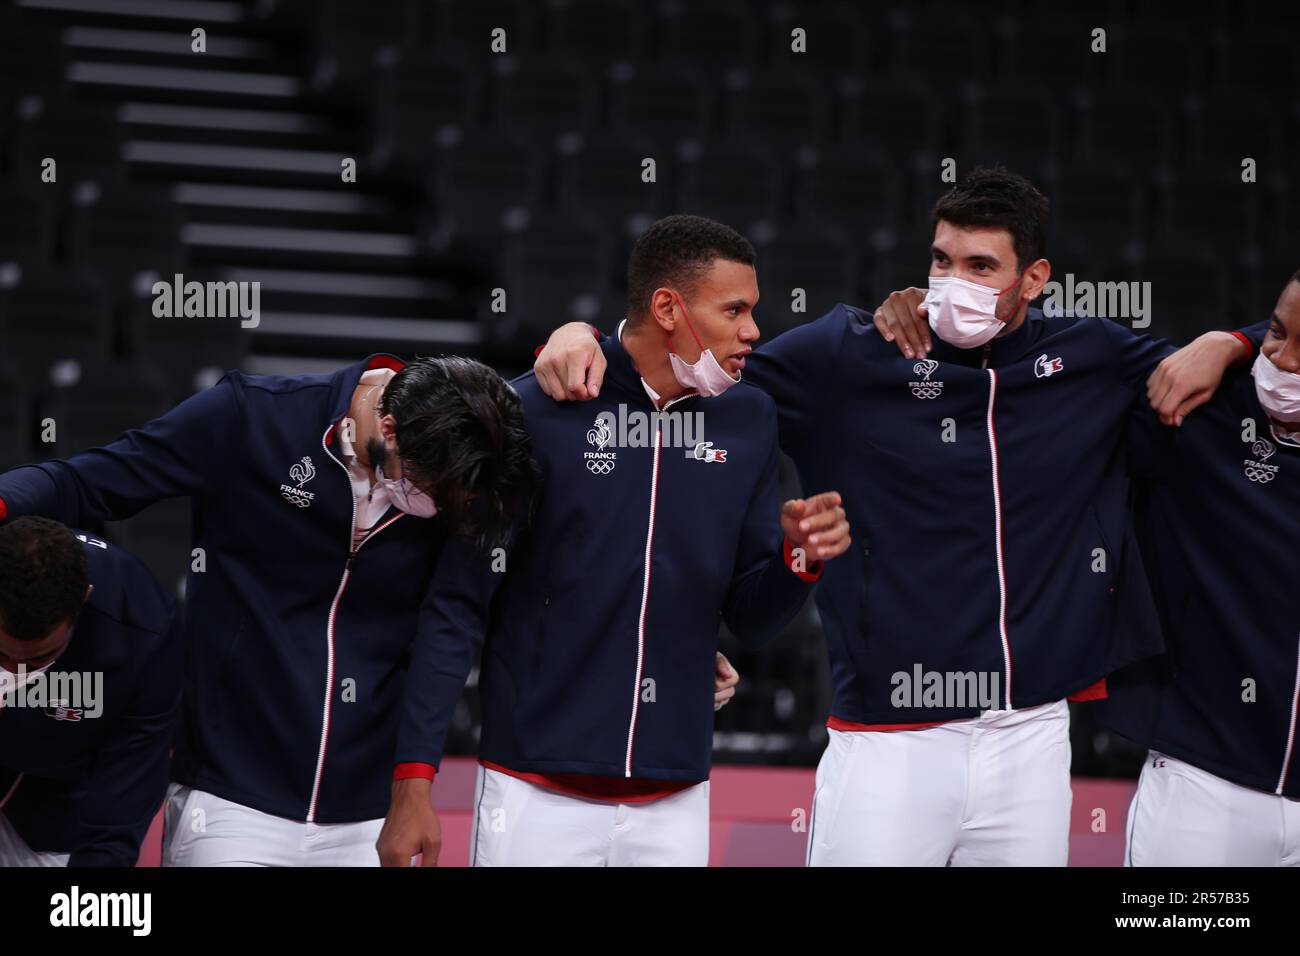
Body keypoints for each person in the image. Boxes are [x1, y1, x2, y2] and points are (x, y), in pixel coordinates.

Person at [531, 167, 1258, 865]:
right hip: (889, 736)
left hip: (1033, 739)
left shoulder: (1093, 358)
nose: (953, 282)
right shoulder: (853, 353)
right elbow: (689, 382)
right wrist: (576, 337)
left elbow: (1276, 360)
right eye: (941, 260)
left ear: (1034, 279)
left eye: (981, 267)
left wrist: (1233, 341)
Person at [378, 215, 851, 866]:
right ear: (667, 307)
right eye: (735, 310)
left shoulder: (750, 419)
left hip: (676, 794)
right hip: (531, 789)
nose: (753, 332)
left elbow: (751, 619)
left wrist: (799, 559)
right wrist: (412, 783)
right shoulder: (536, 411)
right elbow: (456, 605)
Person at [0, 354, 537, 865]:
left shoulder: (461, 467)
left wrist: (414, 783)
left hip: (368, 807)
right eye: (429, 490)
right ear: (389, 430)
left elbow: (446, 632)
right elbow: (88, 483)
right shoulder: (249, 417)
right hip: (230, 796)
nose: (438, 507)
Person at [1100, 268, 1300, 866]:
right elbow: (1047, 356)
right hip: (1203, 783)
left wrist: (1236, 340)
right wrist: (1231, 343)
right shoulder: (1198, 412)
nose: (1284, 364)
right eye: (1277, 334)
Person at [0, 516, 180, 867]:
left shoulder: (144, 632)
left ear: (84, 600)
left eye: (38, 658)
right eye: (1, 653)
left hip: (53, 807)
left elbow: (123, 796)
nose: (14, 669)